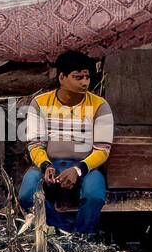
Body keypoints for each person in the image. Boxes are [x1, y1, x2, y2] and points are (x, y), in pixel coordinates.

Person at [19, 51, 112, 234]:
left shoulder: (100, 105)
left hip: (86, 167)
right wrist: (45, 166)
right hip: (47, 164)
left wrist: (78, 170)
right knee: (27, 193)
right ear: (62, 77)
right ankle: (61, 230)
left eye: (87, 77)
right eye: (78, 77)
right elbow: (35, 145)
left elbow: (102, 149)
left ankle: (83, 236)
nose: (85, 82)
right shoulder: (40, 103)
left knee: (95, 195)